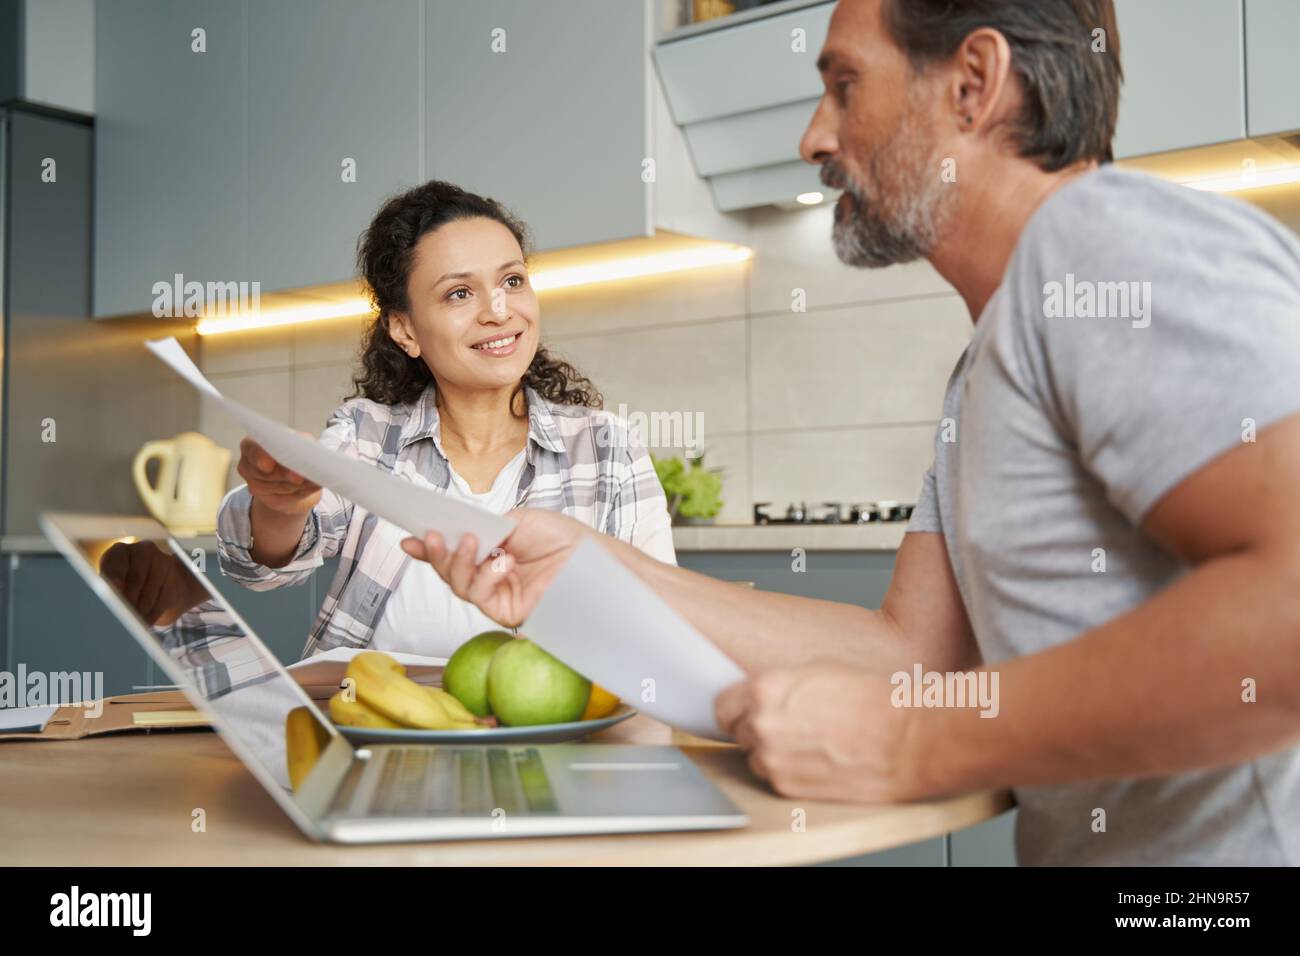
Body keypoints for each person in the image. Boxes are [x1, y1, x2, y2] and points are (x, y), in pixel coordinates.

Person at [402, 0, 1300, 865]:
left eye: (845, 85)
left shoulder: (1101, 246)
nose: (814, 137)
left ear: (972, 83)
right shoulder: (988, 357)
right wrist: (594, 567)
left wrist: (909, 743)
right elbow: (913, 655)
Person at [215, 180, 675, 660]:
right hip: (371, 725)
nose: (498, 311)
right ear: (405, 329)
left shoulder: (607, 446)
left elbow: (660, 620)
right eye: (459, 293)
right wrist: (280, 502)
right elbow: (261, 570)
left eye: (512, 281)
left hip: (560, 730)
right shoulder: (366, 436)